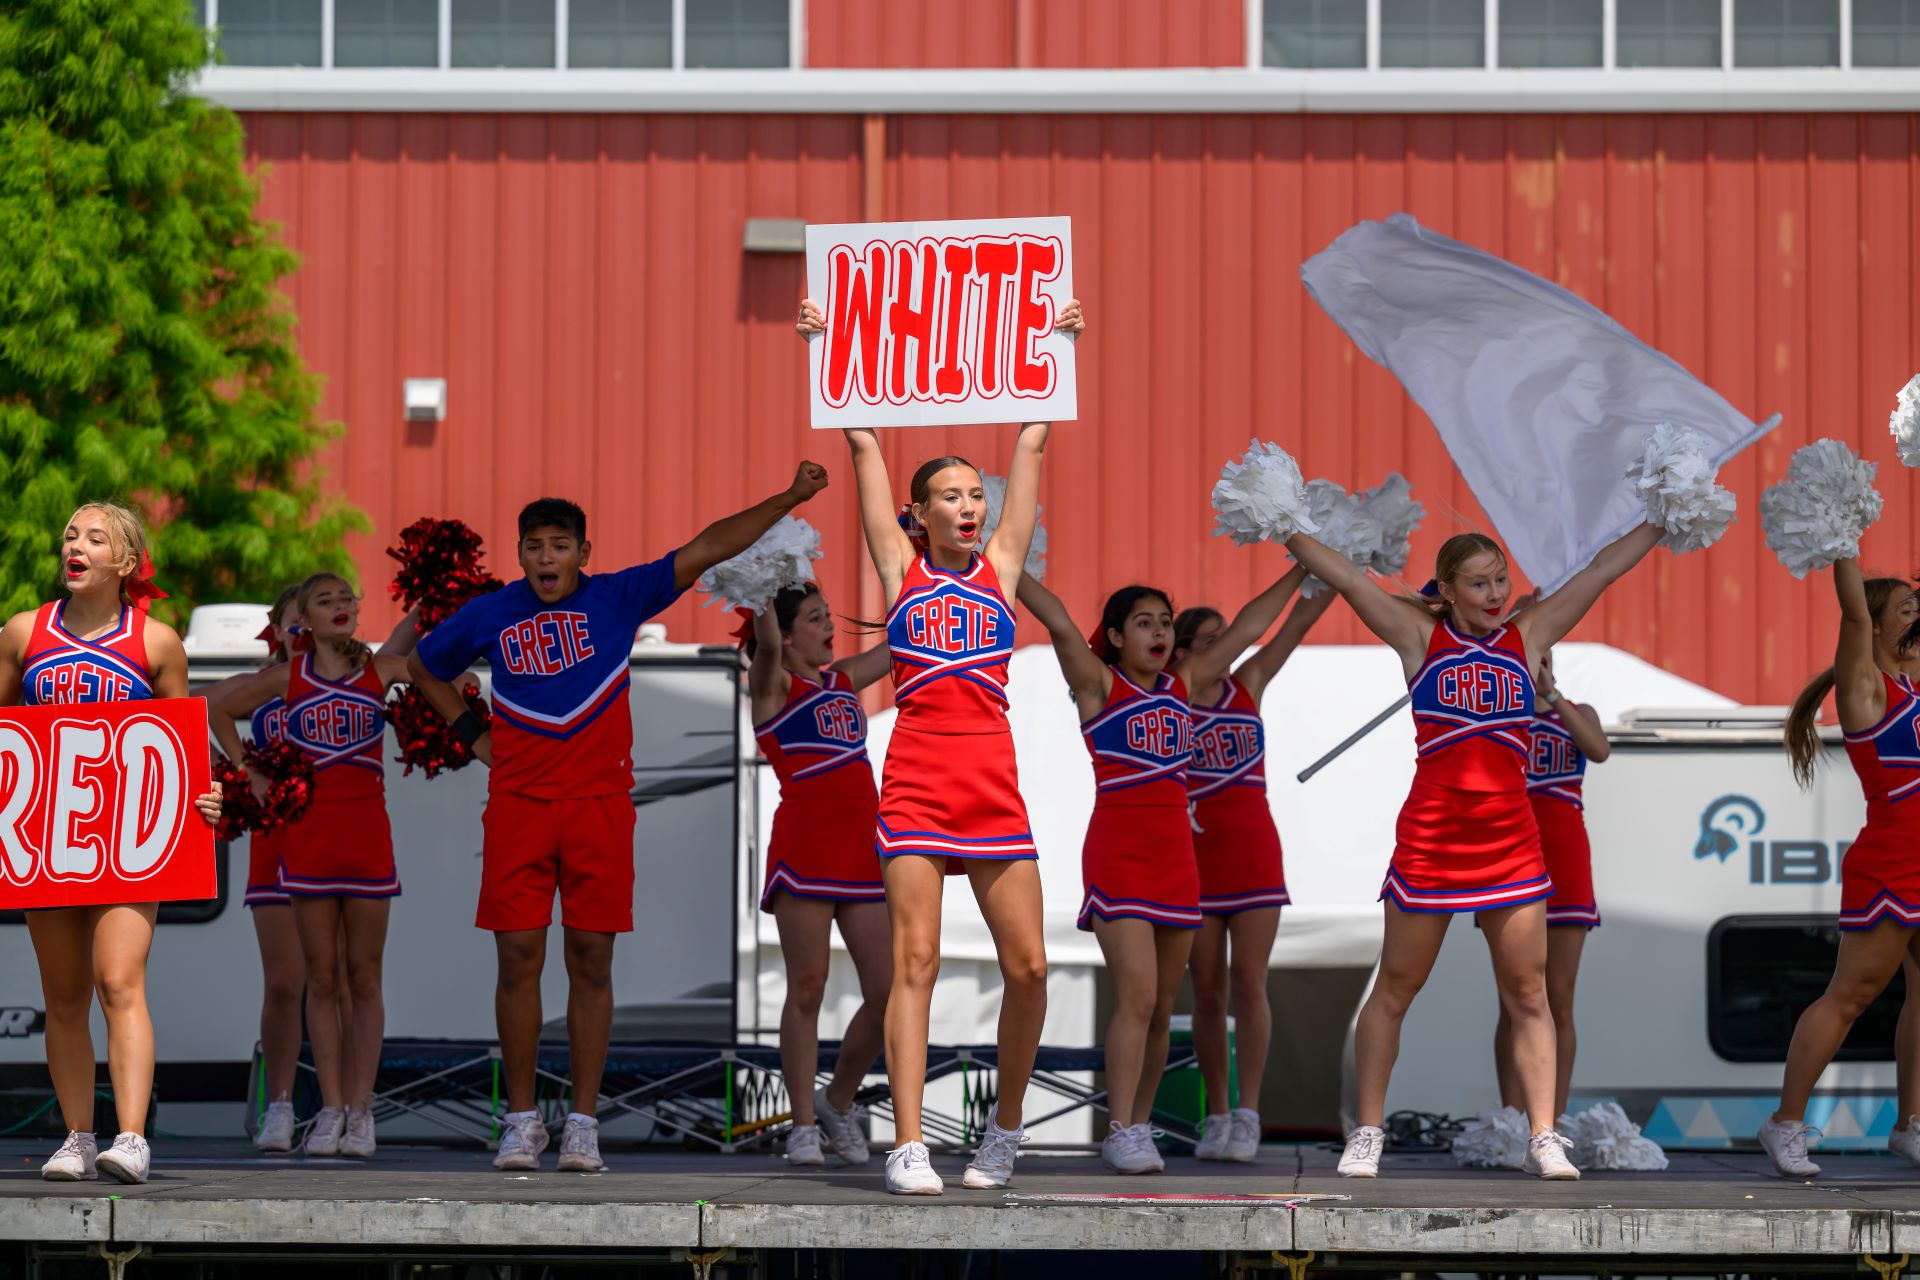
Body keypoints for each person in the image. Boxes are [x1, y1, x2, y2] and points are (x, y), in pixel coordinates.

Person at [407, 468, 829, 1174]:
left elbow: (706, 547)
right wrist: (472, 735)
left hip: (599, 806)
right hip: (518, 805)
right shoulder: (492, 612)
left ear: (583, 552)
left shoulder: (618, 596)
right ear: (521, 555)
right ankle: (520, 1122)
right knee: (517, 959)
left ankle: (582, 1123)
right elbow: (422, 666)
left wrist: (788, 499)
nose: (546, 558)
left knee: (591, 959)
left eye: (559, 545)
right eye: (534, 546)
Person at [796, 293, 1086, 1196]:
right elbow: (863, 446)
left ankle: (1004, 1131)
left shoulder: (1002, 567)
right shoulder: (901, 568)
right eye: (950, 497)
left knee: (1029, 965)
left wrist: (1058, 347)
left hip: (991, 778)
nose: (968, 505)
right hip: (918, 774)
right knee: (912, 963)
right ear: (918, 514)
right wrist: (827, 348)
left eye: (974, 495)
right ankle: (910, 1144)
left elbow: (1032, 448)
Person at [1288, 523, 1665, 1180]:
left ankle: (1543, 1135)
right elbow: (1347, 577)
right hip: (1432, 838)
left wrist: (1661, 518)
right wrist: (1285, 526)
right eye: (1480, 583)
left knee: (1529, 994)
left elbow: (1602, 570)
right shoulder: (1418, 636)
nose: (1495, 594)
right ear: (1449, 590)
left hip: (1510, 840)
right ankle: (1367, 1132)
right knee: (1396, 988)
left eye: (1501, 579)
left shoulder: (1528, 635)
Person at [1018, 566, 1313, 1174]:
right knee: (1139, 995)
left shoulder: (1185, 683)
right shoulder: (1099, 685)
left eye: (1164, 623)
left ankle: (1140, 1125)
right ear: (1116, 636)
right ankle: (1120, 1129)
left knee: (1160, 1010)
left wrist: (1300, 568)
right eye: (1143, 623)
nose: (1157, 632)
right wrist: (1005, 562)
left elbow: (1250, 627)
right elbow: (1057, 620)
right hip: (1120, 856)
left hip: (1180, 862)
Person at [0, 503, 222, 1184]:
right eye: (71, 535)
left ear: (126, 562)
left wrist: (205, 795)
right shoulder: (22, 632)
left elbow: (181, 745)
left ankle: (130, 1138)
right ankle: (75, 1136)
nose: (77, 546)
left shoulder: (158, 642)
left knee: (119, 981)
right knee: (64, 995)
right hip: (49, 836)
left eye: (96, 538)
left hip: (128, 838)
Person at [210, 574, 417, 1161]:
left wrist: (460, 684)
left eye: (346, 598)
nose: (339, 606)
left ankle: (359, 1110)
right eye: (324, 601)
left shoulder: (377, 669)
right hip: (298, 844)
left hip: (364, 842)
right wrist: (247, 772)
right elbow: (213, 708)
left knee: (361, 978)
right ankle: (314, 1107)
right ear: (297, 620)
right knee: (309, 980)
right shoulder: (281, 679)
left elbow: (431, 670)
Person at [1759, 562, 1920, 1177]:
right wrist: (1842, 543)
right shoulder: (1867, 689)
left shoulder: (1913, 681)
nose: (1916, 617)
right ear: (1874, 627)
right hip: (1893, 860)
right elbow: (1852, 610)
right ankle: (1785, 1122)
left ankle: (1909, 1124)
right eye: (1905, 609)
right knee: (1850, 995)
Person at [1171, 567, 1335, 1162]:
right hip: (1196, 858)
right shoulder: (1174, 692)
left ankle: (1249, 1114)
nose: (1227, 647)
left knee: (1249, 981)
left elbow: (1298, 621)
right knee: (1206, 990)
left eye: (1227, 637)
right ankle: (1216, 1112)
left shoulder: (1250, 683)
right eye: (1211, 640)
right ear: (1183, 652)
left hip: (1254, 854)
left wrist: (1336, 564)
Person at [746, 586, 892, 1167]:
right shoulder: (774, 684)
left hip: (861, 850)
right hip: (805, 848)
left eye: (828, 615)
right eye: (815, 618)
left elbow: (902, 643)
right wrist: (758, 582)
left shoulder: (844, 680)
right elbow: (762, 646)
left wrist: (940, 574)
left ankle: (837, 1101)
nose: (830, 625)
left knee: (888, 991)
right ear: (786, 636)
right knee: (808, 986)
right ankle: (803, 1125)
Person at [1490, 646, 1609, 1123]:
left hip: (1566, 860)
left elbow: (1599, 751)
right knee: (1514, 999)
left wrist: (1551, 694)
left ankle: (1551, 1121)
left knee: (1559, 997)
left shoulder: (1579, 711)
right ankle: (1511, 1118)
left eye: (1543, 654)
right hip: (1511, 858)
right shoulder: (1501, 715)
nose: (1536, 662)